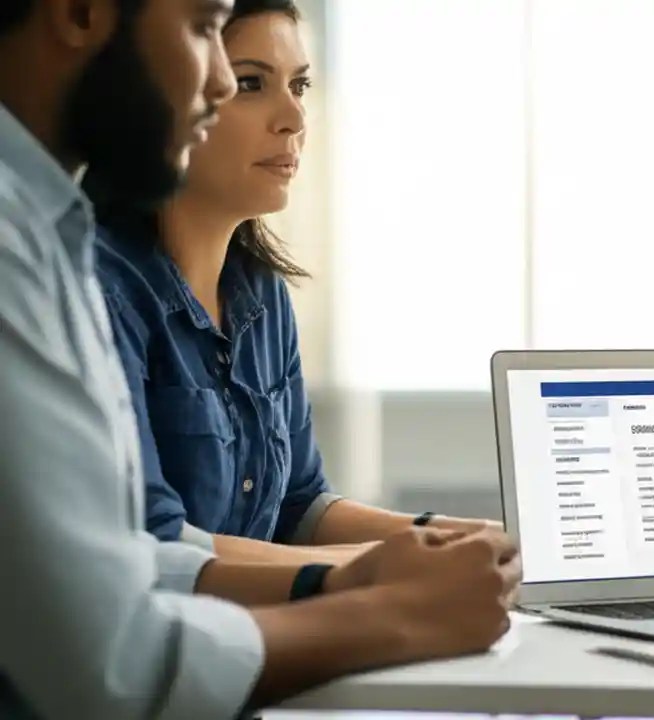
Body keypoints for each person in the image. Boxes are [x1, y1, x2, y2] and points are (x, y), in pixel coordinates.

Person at [0, 0, 520, 717]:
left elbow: (170, 543)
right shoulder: (71, 265)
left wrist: (421, 551)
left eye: (299, 85)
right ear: (81, 13)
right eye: (204, 31)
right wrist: (390, 603)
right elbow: (114, 651)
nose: (215, 85)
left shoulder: (66, 240)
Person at [89, 0, 497, 567]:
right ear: (182, 87)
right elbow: (155, 541)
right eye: (252, 83)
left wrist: (459, 536)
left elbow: (300, 507)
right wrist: (376, 571)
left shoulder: (262, 296)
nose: (294, 120)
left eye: (300, 86)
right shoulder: (103, 290)